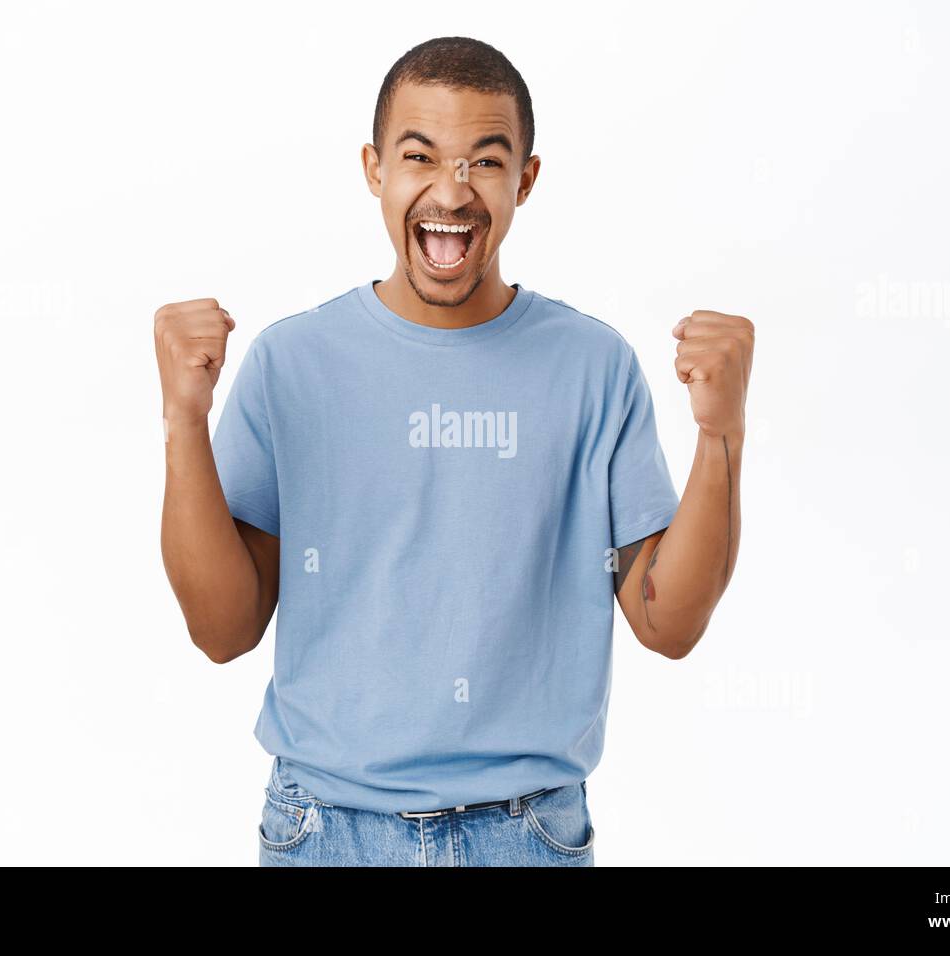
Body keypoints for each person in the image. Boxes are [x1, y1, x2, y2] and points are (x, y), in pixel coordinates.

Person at [154, 35, 754, 867]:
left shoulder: (593, 367)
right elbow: (222, 630)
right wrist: (183, 420)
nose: (452, 190)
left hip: (529, 836)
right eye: (420, 156)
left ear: (526, 180)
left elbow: (667, 620)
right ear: (374, 169)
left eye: (485, 161)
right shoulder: (293, 365)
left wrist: (721, 435)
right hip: (327, 831)